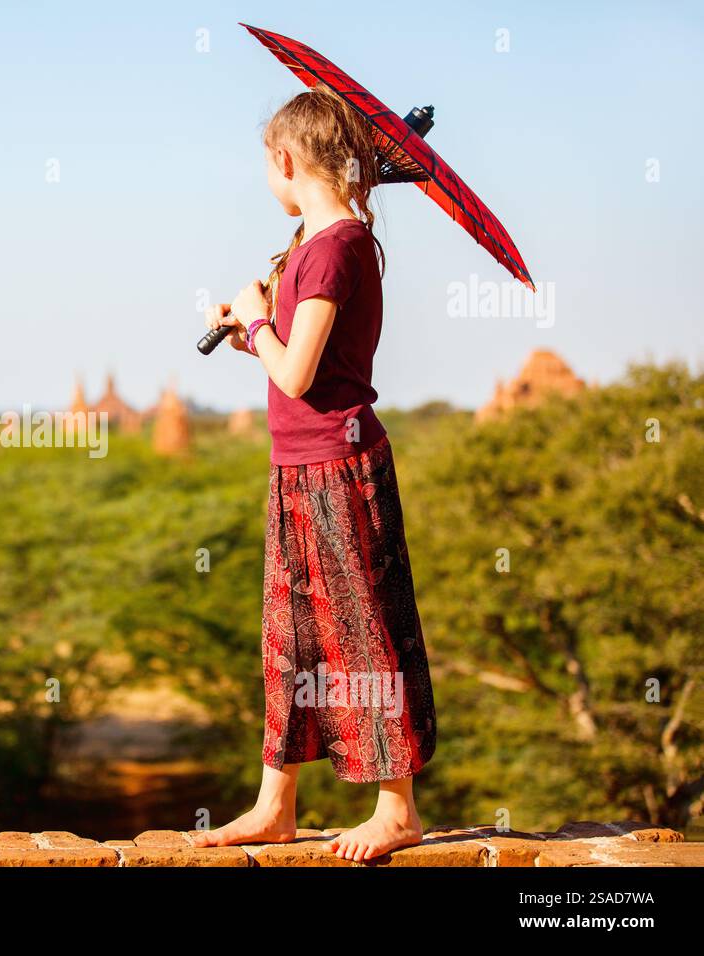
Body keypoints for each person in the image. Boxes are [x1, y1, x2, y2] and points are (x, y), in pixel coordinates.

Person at [195, 85, 437, 862]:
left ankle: (396, 807)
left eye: (268, 163)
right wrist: (245, 332)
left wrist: (260, 320)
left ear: (288, 160)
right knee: (290, 637)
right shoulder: (308, 248)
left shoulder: (338, 248)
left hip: (340, 464)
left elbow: (297, 373)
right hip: (295, 465)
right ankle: (276, 803)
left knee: (362, 632)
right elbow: (295, 360)